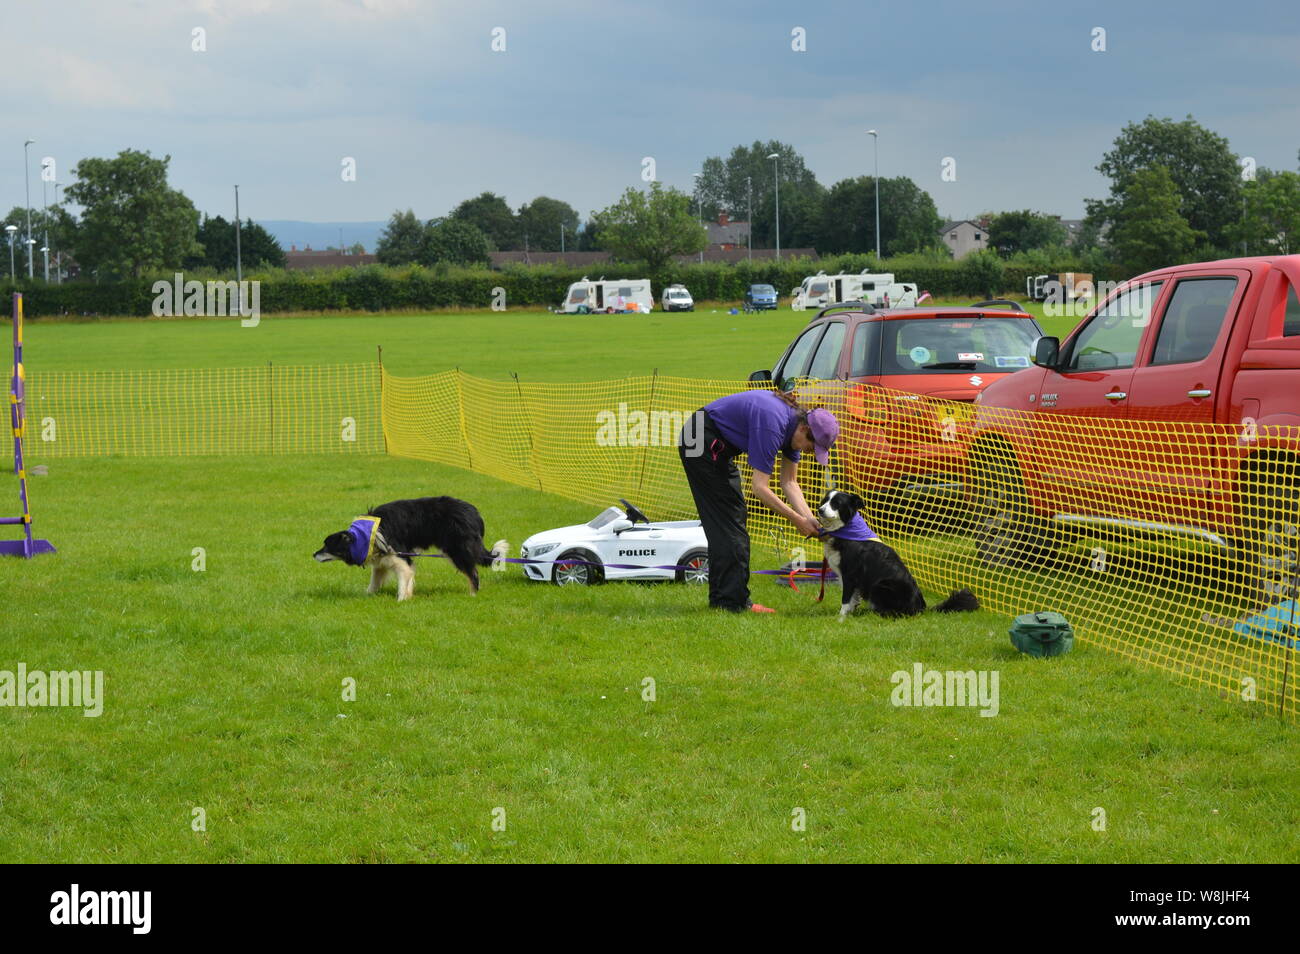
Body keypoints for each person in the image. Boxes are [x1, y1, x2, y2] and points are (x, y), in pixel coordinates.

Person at [678, 389, 839, 614]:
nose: (808, 452)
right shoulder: (773, 424)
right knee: (729, 523)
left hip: (714, 442)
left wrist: (810, 519)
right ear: (804, 429)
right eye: (811, 447)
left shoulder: (795, 429)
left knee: (731, 520)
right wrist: (795, 519)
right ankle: (731, 603)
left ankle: (724, 599)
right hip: (699, 437)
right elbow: (760, 488)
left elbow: (789, 483)